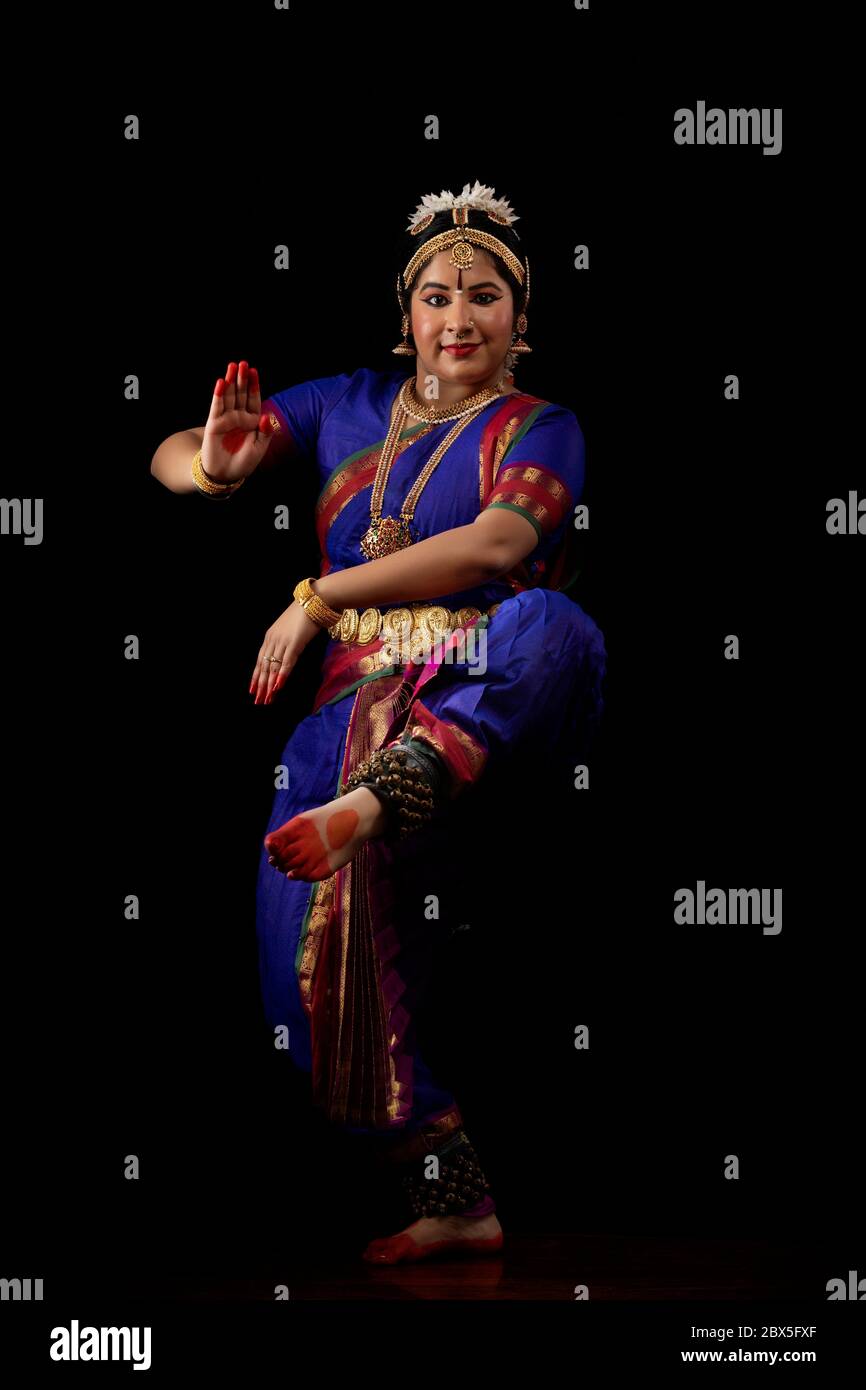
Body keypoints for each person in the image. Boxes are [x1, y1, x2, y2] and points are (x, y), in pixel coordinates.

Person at [150, 180, 607, 1264]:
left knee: (553, 622)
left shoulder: (538, 425)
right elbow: (173, 457)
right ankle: (451, 1193)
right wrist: (213, 460)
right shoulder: (341, 405)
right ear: (404, 313)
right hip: (345, 714)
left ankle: (378, 799)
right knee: (290, 969)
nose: (459, 317)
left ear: (519, 317)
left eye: (485, 296)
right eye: (438, 296)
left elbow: (495, 548)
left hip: (485, 693)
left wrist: (320, 595)